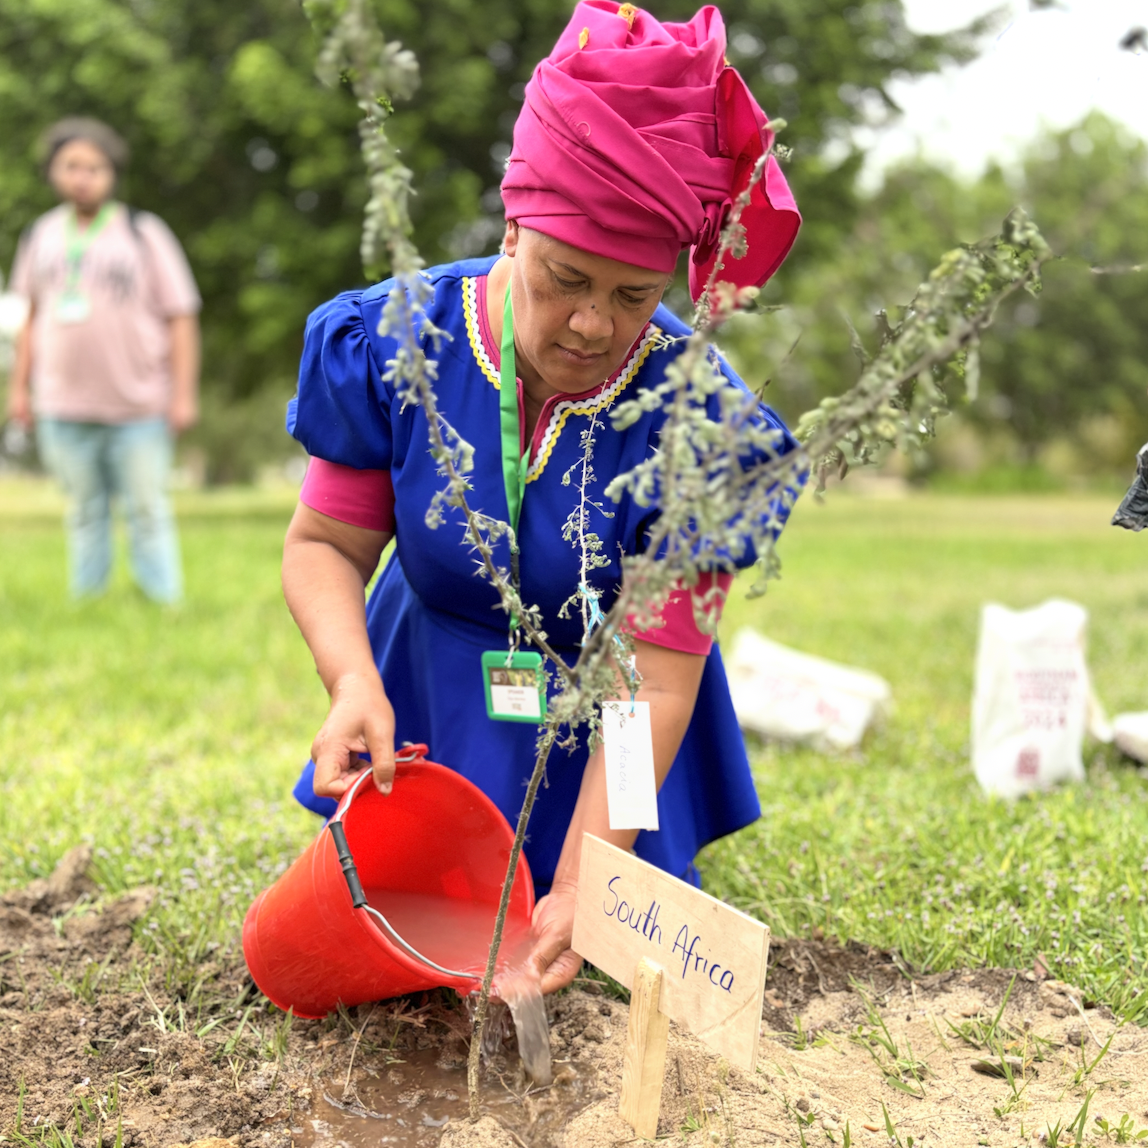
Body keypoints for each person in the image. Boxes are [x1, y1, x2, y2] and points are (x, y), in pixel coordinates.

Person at [282, 0, 803, 994]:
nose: (591, 324)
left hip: (607, 712)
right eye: (566, 278)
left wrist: (586, 872)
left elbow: (652, 681)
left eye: (634, 296)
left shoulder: (701, 427)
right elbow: (324, 545)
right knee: (406, 912)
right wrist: (352, 680)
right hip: (429, 680)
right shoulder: (398, 341)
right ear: (513, 224)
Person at [6, 118, 201, 604]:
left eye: (95, 167)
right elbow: (26, 317)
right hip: (62, 403)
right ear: (53, 171)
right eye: (71, 166)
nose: (82, 176)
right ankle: (87, 599)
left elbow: (181, 316)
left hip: (139, 404)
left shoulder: (144, 233)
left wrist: (183, 395)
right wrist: (19, 390)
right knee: (84, 510)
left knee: (147, 508)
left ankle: (165, 601)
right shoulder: (39, 236)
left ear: (112, 173)